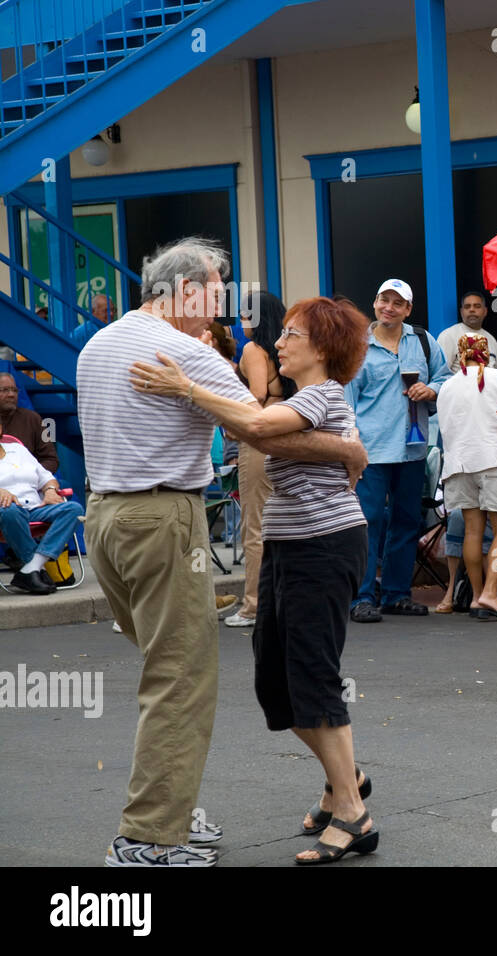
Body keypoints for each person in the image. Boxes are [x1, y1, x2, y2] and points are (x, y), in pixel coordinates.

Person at [80, 237, 367, 867]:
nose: (221, 311)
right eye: (215, 293)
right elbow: (264, 433)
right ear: (184, 291)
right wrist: (348, 451)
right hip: (163, 520)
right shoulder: (185, 354)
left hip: (103, 517)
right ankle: (151, 837)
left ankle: (172, 816)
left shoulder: (99, 344)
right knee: (180, 677)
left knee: (168, 668)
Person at [346, 278, 451, 623]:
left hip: (414, 448)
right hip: (371, 451)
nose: (388, 307)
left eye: (396, 302)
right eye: (383, 300)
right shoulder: (358, 345)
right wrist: (351, 444)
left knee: (407, 522)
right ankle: (360, 596)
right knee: (367, 523)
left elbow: (445, 378)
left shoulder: (422, 340)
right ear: (375, 303)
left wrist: (431, 389)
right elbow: (347, 400)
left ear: (408, 309)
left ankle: (395, 594)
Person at [438, 335, 497, 620]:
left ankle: (477, 596)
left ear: (459, 355)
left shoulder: (447, 387)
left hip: (460, 464)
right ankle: (492, 591)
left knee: (472, 532)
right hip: (496, 461)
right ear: (487, 354)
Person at [224, 290, 293, 628]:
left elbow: (256, 395)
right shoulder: (284, 346)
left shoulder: (253, 349)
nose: (240, 322)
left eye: (244, 315)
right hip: (288, 433)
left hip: (260, 436)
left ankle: (253, 605)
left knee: (256, 525)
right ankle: (283, 599)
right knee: (284, 523)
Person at [0, 436, 83, 594]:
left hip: (35, 508)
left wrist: (50, 491)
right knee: (10, 510)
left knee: (73, 510)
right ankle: (34, 569)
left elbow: (47, 478)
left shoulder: (17, 449)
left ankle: (32, 569)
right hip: (7, 512)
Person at [0, 372, 58, 471]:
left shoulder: (33, 419)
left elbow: (51, 459)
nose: (11, 395)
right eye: (5, 390)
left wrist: (31, 473)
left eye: (15, 390)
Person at [437, 290, 497, 372]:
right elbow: (439, 374)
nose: (472, 310)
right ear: (461, 311)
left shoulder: (491, 340)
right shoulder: (449, 336)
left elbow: (496, 373)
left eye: (477, 306)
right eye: (467, 306)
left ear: (485, 311)